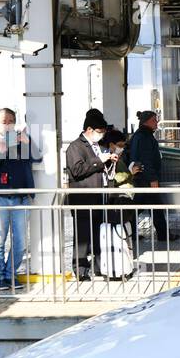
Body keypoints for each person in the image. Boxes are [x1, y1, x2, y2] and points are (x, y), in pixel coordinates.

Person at [0, 107, 39, 290]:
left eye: (10, 121)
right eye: (3, 121)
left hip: (21, 197)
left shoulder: (22, 142)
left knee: (20, 240)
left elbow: (37, 158)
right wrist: (0, 152)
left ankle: (10, 274)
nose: (7, 124)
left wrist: (28, 143)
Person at [64, 111, 112, 281]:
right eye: (100, 131)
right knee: (82, 236)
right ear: (89, 129)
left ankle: (100, 267)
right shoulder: (75, 147)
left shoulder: (97, 146)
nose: (102, 135)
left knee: (98, 234)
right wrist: (100, 161)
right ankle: (81, 269)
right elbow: (77, 170)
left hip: (98, 197)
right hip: (83, 199)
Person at [127, 110, 171, 240]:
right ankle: (163, 235)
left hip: (140, 177)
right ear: (147, 122)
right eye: (154, 120)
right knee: (155, 207)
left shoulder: (140, 135)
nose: (157, 122)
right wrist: (153, 179)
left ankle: (132, 233)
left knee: (138, 207)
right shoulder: (145, 137)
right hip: (145, 178)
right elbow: (146, 159)